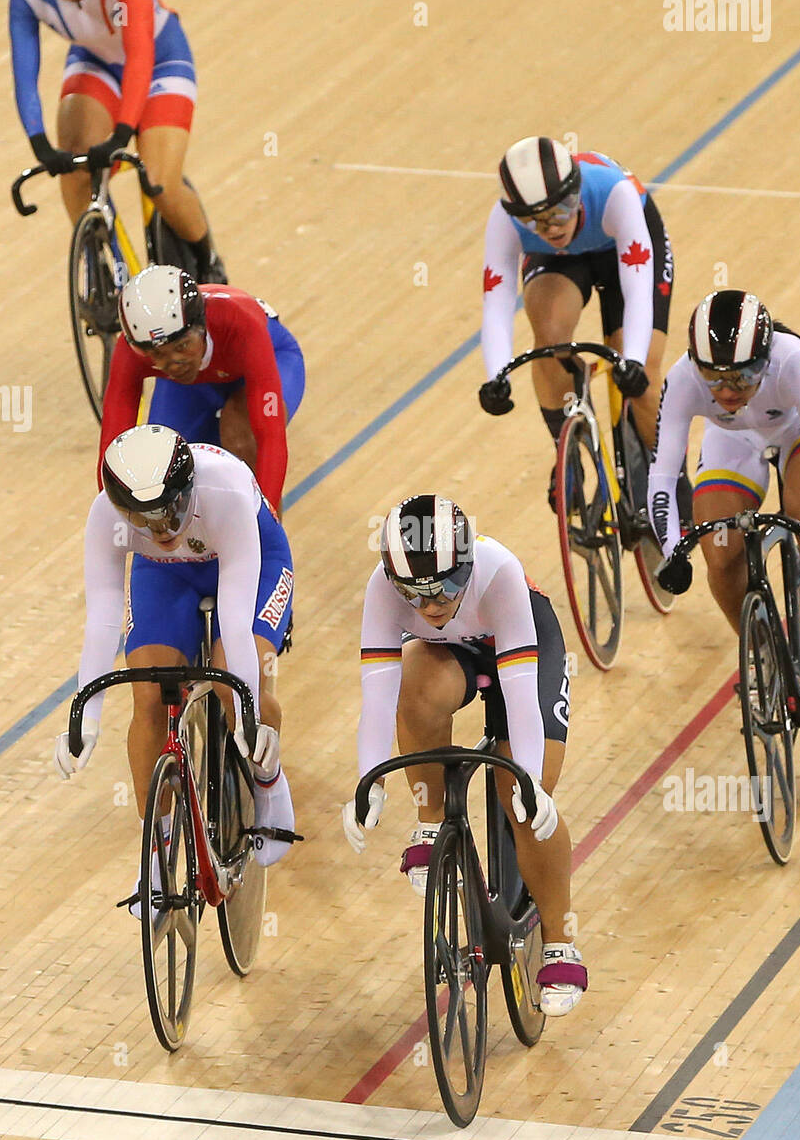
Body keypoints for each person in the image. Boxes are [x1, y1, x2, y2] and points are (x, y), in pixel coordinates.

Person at [341, 494, 588, 1017]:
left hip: (523, 647)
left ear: (468, 563)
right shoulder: (381, 590)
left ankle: (561, 938)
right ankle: (432, 822)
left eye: (447, 586)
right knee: (414, 676)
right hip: (450, 654)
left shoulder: (499, 571)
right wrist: (369, 783)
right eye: (416, 592)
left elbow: (519, 691)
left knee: (523, 804)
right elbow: (378, 695)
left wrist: (529, 782)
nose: (431, 604)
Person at [54, 425, 298, 902]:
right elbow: (103, 617)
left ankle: (268, 782)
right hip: (166, 575)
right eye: (145, 520)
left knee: (233, 681)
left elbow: (234, 609)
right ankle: (157, 854)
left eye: (170, 514)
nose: (163, 530)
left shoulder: (223, 489)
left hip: (249, 561)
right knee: (147, 693)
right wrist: (88, 716)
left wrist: (245, 709)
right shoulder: (106, 513)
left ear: (188, 490)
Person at [651, 290, 800, 717]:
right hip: (732, 439)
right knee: (721, 554)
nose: (728, 390)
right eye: (714, 377)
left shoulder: (792, 360)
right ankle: (761, 652)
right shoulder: (682, 378)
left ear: (765, 359)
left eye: (744, 376)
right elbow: (662, 474)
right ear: (696, 364)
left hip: (799, 430)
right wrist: (673, 550)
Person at [10, 0, 224, 281]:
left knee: (158, 182)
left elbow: (140, 55)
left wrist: (123, 132)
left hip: (160, 61)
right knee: (75, 168)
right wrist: (40, 145)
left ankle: (208, 265)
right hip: (96, 64)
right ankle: (100, 269)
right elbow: (25, 74)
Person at [477, 135, 689, 515]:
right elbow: (496, 303)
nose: (551, 226)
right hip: (559, 262)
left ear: (576, 192)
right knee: (549, 341)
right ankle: (568, 452)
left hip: (620, 244)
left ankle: (674, 483)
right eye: (534, 219)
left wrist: (635, 362)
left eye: (562, 210)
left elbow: (639, 291)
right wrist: (496, 375)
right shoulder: (505, 221)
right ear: (516, 214)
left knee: (644, 371)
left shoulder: (614, 193)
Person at [98, 265, 305, 517]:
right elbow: (112, 448)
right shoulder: (130, 353)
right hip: (193, 385)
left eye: (183, 345)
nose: (174, 362)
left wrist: (266, 520)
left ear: (202, 326)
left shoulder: (239, 322)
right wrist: (116, 517)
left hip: (270, 361)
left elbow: (270, 438)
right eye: (158, 355)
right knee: (161, 466)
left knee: (241, 436)